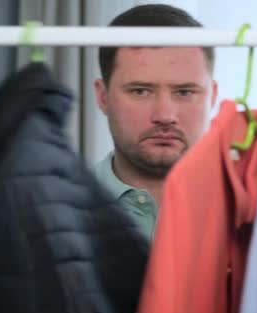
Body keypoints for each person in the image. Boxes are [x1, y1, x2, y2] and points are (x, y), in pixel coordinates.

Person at [93, 4, 218, 240]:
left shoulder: (254, 207)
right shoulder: (52, 209)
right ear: (102, 97)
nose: (165, 115)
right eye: (141, 91)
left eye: (184, 92)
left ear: (212, 96)